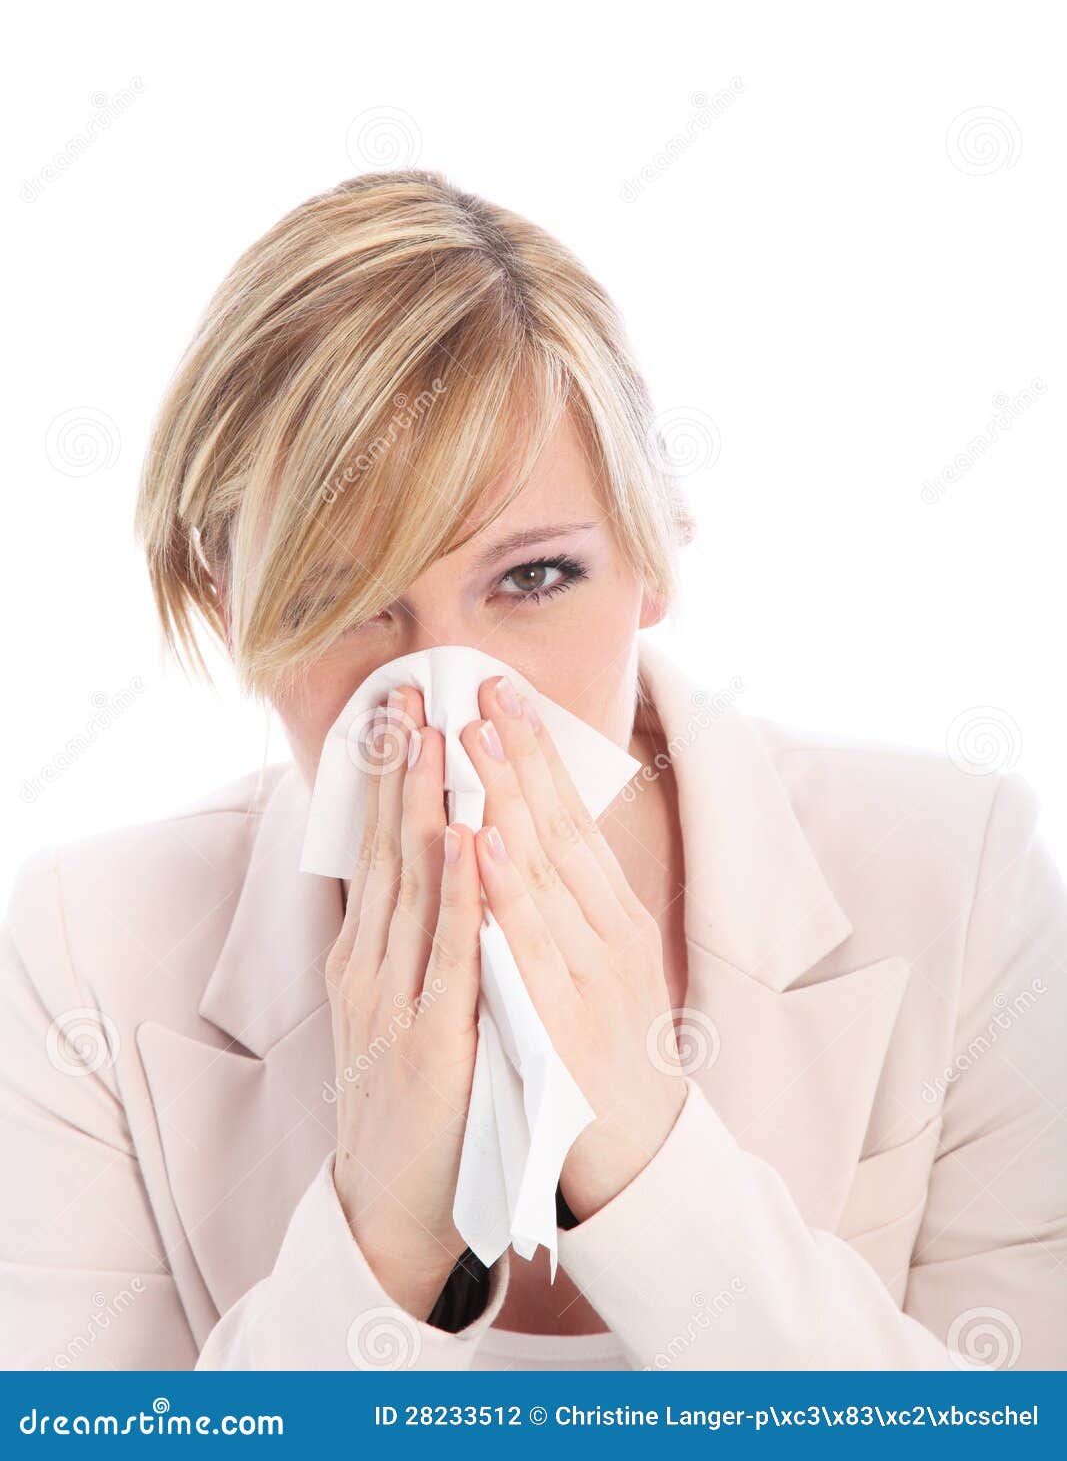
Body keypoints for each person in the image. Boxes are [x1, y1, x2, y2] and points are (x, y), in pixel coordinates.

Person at [2, 170, 1064, 1372]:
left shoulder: (955, 877)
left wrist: (649, 1158)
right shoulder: (88, 950)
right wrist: (381, 1236)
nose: (447, 705)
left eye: (532, 578)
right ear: (228, 606)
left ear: (649, 552)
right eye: (341, 603)